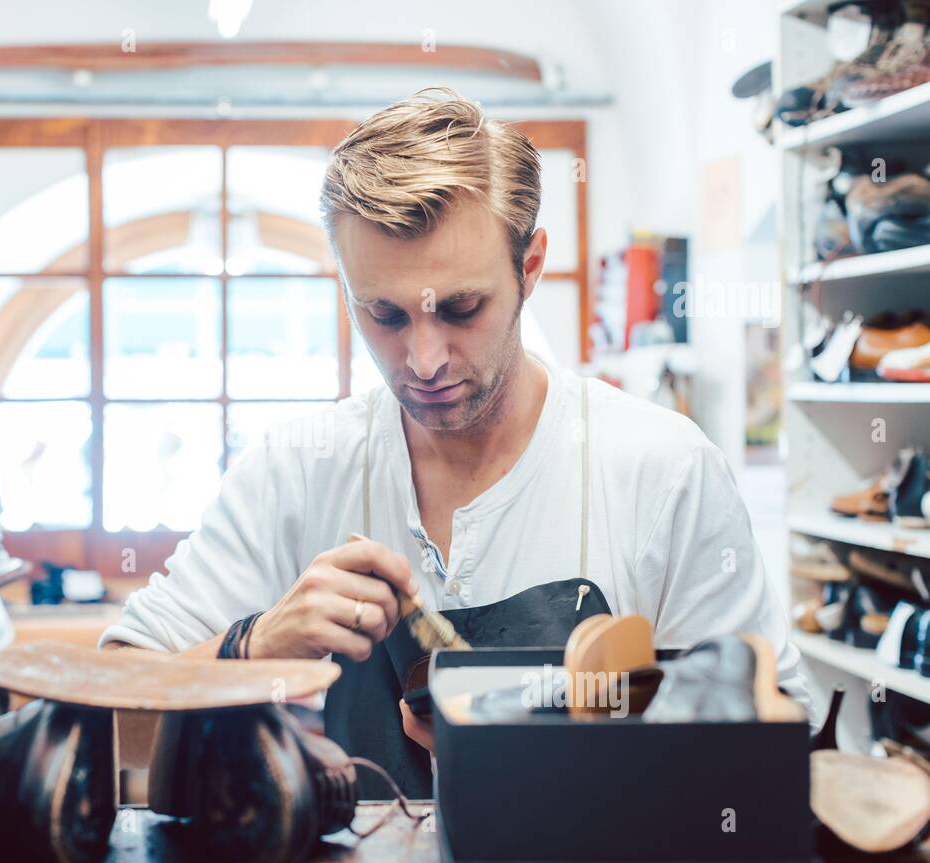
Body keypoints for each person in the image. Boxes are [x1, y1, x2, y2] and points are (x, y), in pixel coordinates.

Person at [100, 87, 810, 798]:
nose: (425, 358)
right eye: (384, 314)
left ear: (529, 268)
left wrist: (563, 744)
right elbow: (111, 731)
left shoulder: (663, 471)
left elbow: (777, 755)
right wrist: (250, 649)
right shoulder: (296, 472)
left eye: (462, 308)